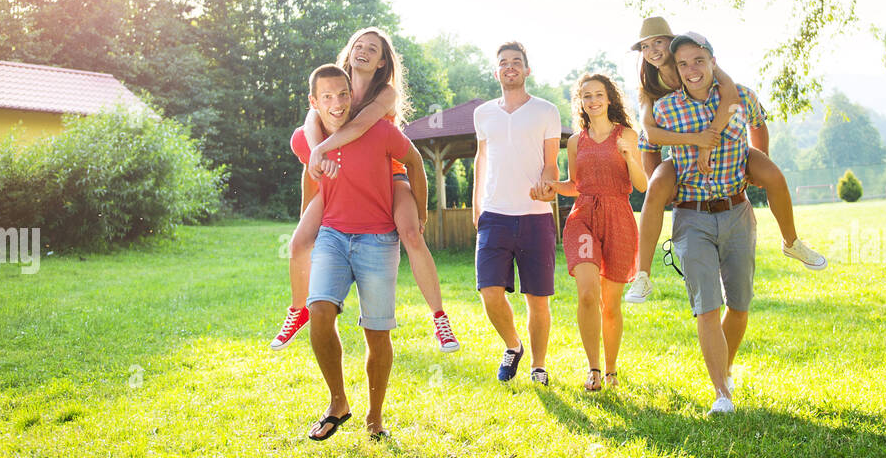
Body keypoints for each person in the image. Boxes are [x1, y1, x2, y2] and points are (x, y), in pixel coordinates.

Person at [270, 27, 459, 355]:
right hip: (343, 178)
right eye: (359, 45)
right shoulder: (334, 86)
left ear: (382, 61)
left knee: (411, 234)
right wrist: (317, 156)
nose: (363, 51)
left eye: (372, 49)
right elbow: (309, 121)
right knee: (299, 242)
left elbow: (359, 127)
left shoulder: (384, 95)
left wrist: (421, 208)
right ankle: (297, 310)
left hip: (389, 173)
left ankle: (439, 317)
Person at [625, 16, 825, 304]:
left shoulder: (698, 61)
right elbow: (650, 136)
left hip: (723, 146)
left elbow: (732, 96)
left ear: (672, 42)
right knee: (656, 187)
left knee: (773, 174)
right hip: (681, 154)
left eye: (658, 42)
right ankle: (642, 275)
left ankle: (791, 242)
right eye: (645, 46)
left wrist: (748, 157)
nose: (653, 50)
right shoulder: (650, 88)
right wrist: (694, 146)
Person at [290, 63, 430, 440]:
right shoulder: (311, 135)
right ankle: (338, 403)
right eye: (327, 97)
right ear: (314, 102)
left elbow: (414, 160)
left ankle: (375, 418)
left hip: (378, 239)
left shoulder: (379, 128)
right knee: (319, 309)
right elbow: (310, 173)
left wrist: (421, 208)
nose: (336, 103)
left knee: (377, 332)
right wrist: (309, 218)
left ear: (352, 95)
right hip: (334, 235)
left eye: (342, 94)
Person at [653, 32, 770, 414]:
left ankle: (725, 368)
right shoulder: (667, 109)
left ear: (712, 60)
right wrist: (663, 183)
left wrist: (758, 163)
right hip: (691, 216)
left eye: (698, 61)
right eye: (683, 64)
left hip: (737, 211)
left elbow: (760, 123)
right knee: (707, 305)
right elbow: (646, 145)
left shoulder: (740, 97)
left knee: (738, 304)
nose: (691, 70)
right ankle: (722, 392)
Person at [540, 74, 649, 391]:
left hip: (619, 216)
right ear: (581, 102)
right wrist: (553, 187)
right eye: (586, 96)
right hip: (583, 217)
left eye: (598, 95)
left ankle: (612, 370)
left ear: (610, 98)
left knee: (611, 305)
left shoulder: (628, 134)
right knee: (588, 293)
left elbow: (641, 185)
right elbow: (576, 186)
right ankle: (594, 370)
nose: (593, 101)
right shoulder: (575, 142)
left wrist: (629, 156)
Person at [472, 41, 563, 384]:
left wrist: (546, 184)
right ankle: (513, 345)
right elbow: (482, 160)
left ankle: (538, 366)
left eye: (516, 62)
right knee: (489, 291)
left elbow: (551, 164)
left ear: (527, 70)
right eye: (503, 63)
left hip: (536, 216)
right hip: (494, 215)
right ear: (496, 72)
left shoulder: (546, 111)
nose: (510, 67)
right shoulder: (483, 114)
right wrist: (476, 206)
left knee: (537, 299)